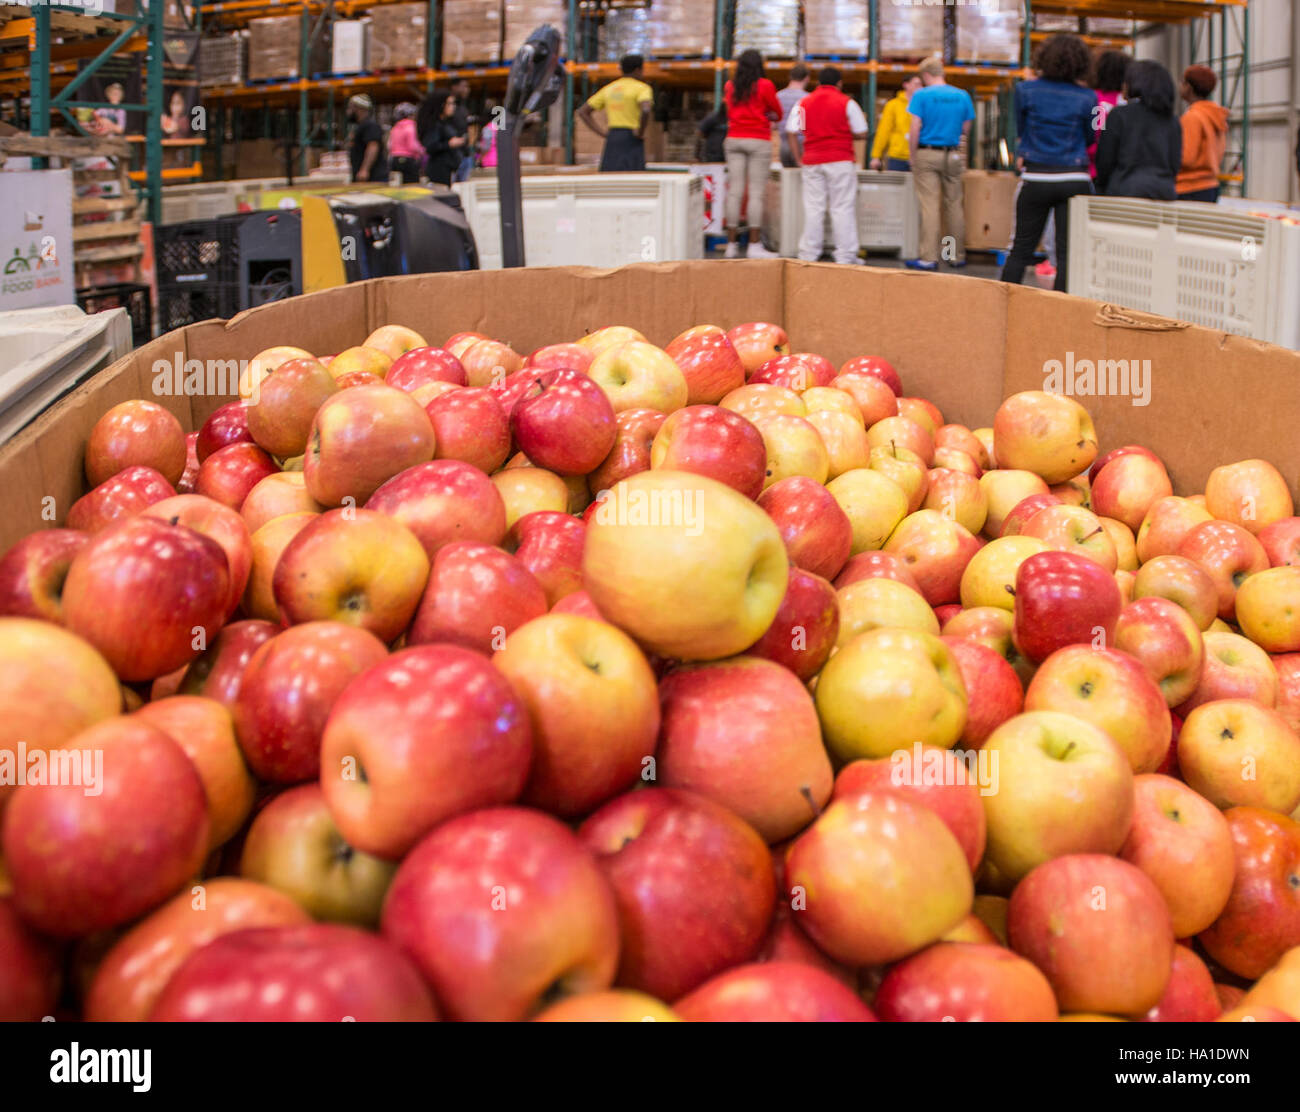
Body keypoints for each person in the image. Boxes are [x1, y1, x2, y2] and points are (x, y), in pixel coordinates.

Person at [1000, 35, 1097, 294]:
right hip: (1074, 178)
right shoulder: (1089, 97)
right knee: (1067, 254)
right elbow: (1091, 136)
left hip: (1037, 176)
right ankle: (1060, 313)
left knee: (1021, 249)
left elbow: (1020, 129)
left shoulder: (1025, 90)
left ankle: (1002, 308)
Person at [786, 66, 869, 266]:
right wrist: (843, 132)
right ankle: (845, 256)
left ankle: (809, 254)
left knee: (814, 207)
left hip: (812, 160)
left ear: (818, 83)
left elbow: (792, 131)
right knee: (842, 207)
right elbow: (862, 131)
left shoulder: (804, 102)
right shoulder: (846, 102)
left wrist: (799, 158)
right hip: (840, 160)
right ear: (839, 83)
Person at [905, 56, 975, 270]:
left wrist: (913, 155)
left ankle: (929, 257)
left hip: (927, 153)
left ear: (925, 75)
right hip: (953, 154)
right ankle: (954, 255)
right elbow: (966, 127)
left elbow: (915, 126)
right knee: (953, 206)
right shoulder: (962, 95)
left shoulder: (922, 95)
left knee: (930, 206)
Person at [723, 49, 782, 258]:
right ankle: (753, 245)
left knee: (734, 191)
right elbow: (778, 112)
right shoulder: (765, 86)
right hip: (758, 139)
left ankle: (731, 245)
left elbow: (729, 111)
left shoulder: (730, 86)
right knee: (756, 192)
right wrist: (765, 115)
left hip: (734, 139)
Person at [1096, 59, 1182, 200]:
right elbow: (1174, 164)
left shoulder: (1118, 114)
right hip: (1163, 193)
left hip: (1123, 190)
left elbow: (1105, 161)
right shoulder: (1172, 121)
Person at [577, 54, 654, 172]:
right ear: (638, 70)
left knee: (611, 178)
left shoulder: (609, 88)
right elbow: (645, 109)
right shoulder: (642, 88)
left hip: (613, 137)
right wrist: (641, 131)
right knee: (634, 180)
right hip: (632, 137)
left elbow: (583, 112)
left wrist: (602, 133)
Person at [1176, 65, 1229, 203]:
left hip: (1189, 188)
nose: (1180, 85)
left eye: (1182, 82)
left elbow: (1187, 158)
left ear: (1189, 87)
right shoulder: (1216, 115)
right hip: (1210, 185)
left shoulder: (1192, 117)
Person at [1089, 51, 1131, 177]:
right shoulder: (1128, 102)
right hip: (1123, 172)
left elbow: (1094, 138)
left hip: (1094, 171)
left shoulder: (1094, 100)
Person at [870, 74, 921, 171]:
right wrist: (876, 156)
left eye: (921, 84)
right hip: (897, 156)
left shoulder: (923, 105)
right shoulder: (893, 105)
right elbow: (883, 131)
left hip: (918, 156)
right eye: (916, 84)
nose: (920, 87)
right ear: (906, 85)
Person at [418, 90, 466, 187]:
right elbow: (430, 146)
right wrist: (449, 144)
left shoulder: (446, 123)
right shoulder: (434, 125)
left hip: (449, 168)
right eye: (449, 104)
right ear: (441, 105)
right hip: (439, 169)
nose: (453, 107)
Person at [347, 94, 388, 183]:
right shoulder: (360, 126)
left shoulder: (370, 126)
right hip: (364, 177)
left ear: (359, 109)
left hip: (374, 177)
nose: (348, 111)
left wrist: (364, 170)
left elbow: (373, 146)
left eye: (351, 108)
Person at [777, 64, 810, 167]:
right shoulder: (807, 98)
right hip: (802, 145)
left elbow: (773, 123)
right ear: (807, 78)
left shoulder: (778, 96)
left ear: (790, 77)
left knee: (787, 180)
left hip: (783, 144)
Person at [388, 102, 423, 183]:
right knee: (411, 184)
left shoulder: (395, 127)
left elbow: (389, 145)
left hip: (395, 159)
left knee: (398, 183)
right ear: (410, 115)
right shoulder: (411, 125)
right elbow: (412, 145)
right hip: (408, 160)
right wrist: (422, 150)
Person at [449, 77, 476, 182]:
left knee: (463, 188)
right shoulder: (449, 109)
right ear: (454, 87)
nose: (467, 90)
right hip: (452, 156)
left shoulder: (463, 108)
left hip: (465, 155)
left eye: (468, 87)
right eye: (464, 86)